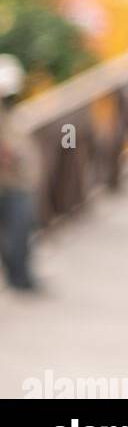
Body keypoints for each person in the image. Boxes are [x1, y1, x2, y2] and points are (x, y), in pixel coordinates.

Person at [0, 54, 42, 292]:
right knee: (15, 234)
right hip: (10, 184)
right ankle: (18, 278)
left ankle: (21, 278)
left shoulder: (13, 113)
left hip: (19, 182)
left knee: (20, 234)